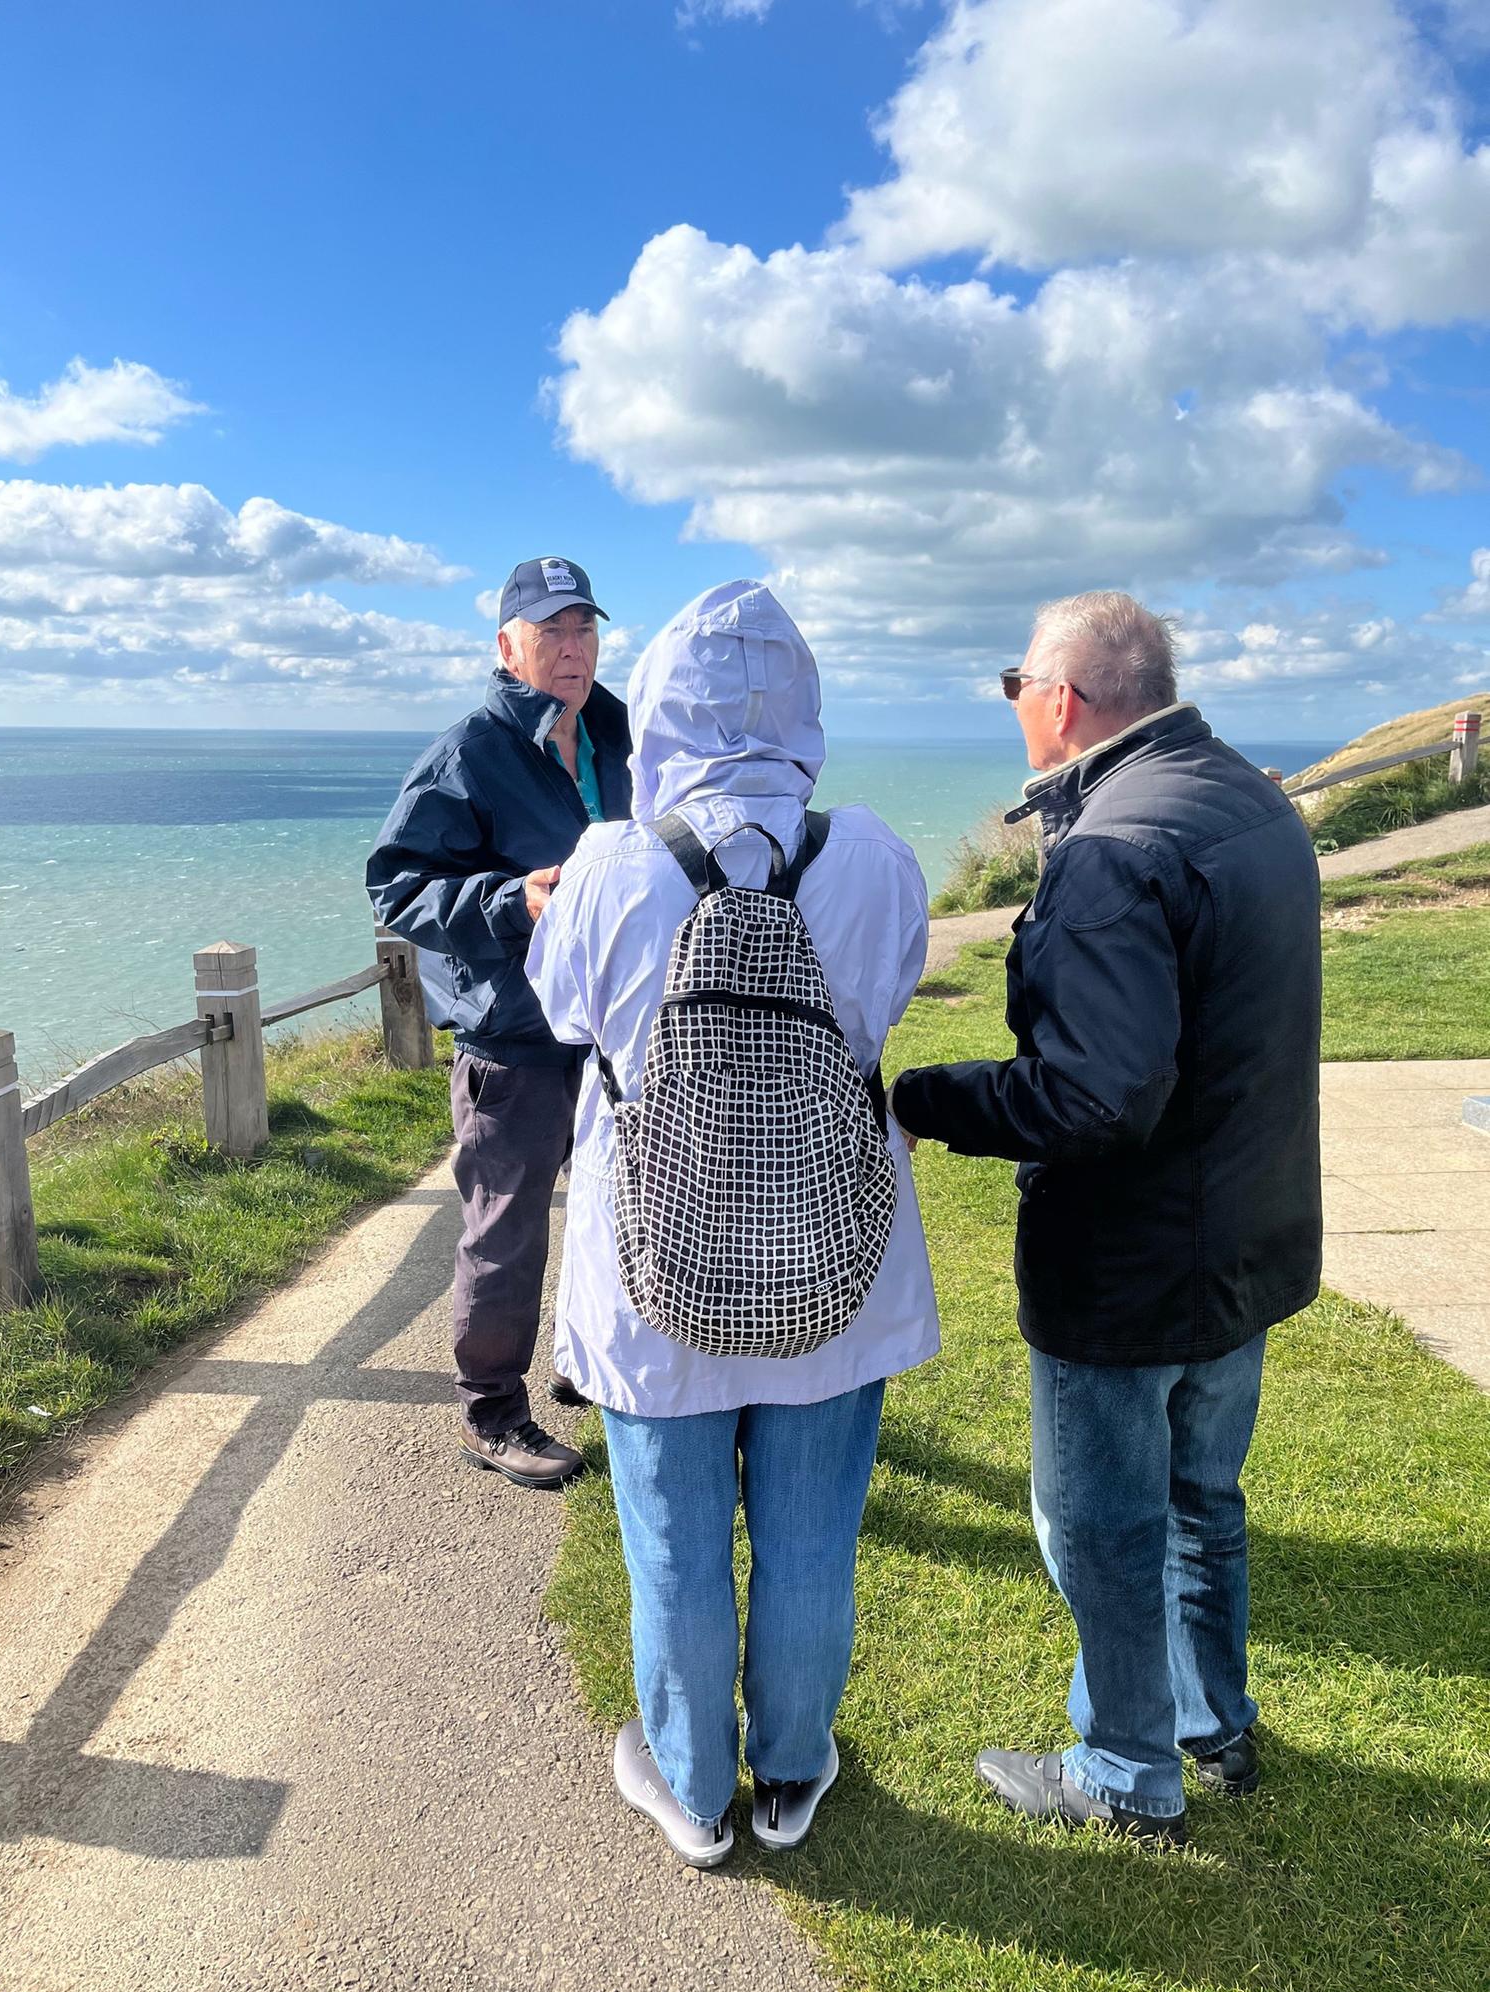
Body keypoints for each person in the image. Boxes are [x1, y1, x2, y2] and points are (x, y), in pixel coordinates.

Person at [891, 591, 1322, 1847]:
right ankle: (1210, 1719)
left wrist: (927, 1097)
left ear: (1062, 699)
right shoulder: (1249, 799)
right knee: (1200, 1500)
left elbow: (1093, 1094)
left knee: (1100, 1525)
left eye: (1013, 683)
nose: (1013, 705)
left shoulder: (1109, 849)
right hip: (1245, 1235)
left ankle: (1127, 1767)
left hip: (1132, 1263)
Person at [526, 580, 940, 1867]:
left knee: (675, 1546)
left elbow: (564, 1016)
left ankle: (695, 1784)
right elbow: (886, 999)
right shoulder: (872, 855)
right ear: (803, 707)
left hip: (659, 1252)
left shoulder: (609, 863)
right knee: (811, 1541)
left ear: (661, 707)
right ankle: (793, 1769)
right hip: (831, 1248)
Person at [367, 557, 632, 1489]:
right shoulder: (470, 751)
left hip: (609, 1028)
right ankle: (491, 1413)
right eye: (551, 630)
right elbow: (397, 888)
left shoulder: (618, 732)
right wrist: (512, 900)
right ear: (507, 645)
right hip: (513, 1037)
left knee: (612, 1203)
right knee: (506, 1233)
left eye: (585, 628)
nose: (573, 647)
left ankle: (584, 1360)